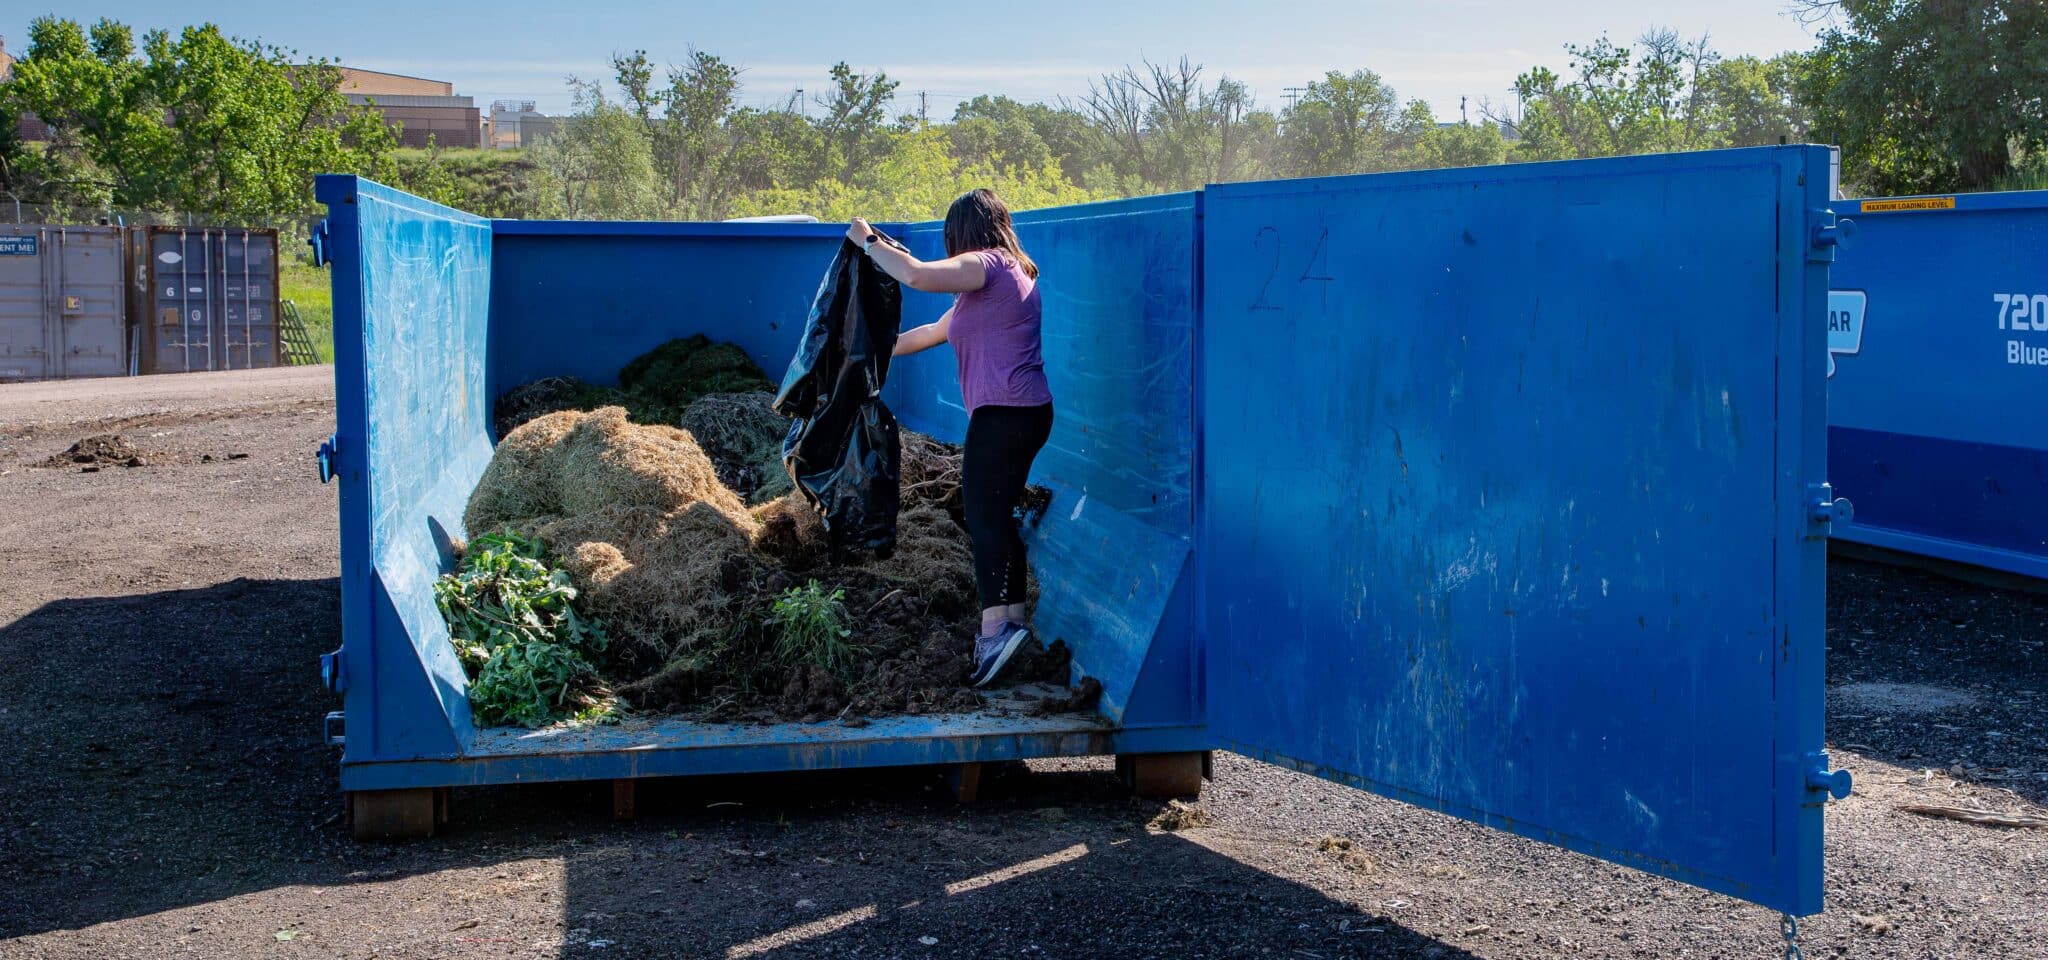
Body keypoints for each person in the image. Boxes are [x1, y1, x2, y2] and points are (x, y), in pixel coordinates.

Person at [846, 189, 1052, 688]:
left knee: (984, 521)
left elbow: (915, 274)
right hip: (1022, 413)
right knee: (995, 517)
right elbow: (926, 335)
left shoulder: (990, 265)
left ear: (966, 234)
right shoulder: (997, 284)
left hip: (1004, 416)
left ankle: (993, 632)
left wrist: (867, 240)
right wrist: (864, 357)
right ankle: (1013, 626)